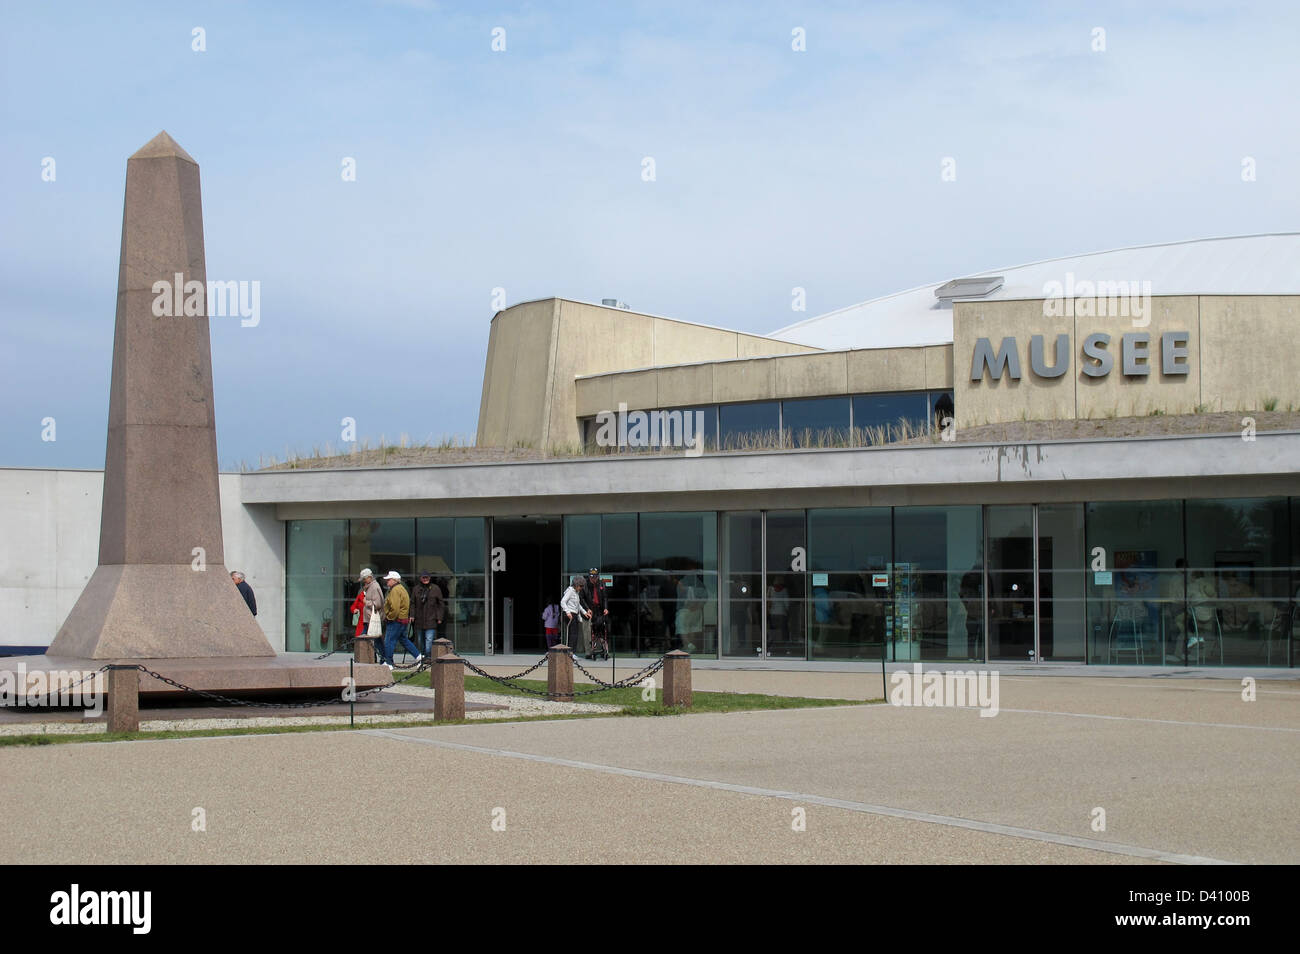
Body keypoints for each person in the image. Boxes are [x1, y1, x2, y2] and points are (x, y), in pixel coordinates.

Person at [380, 570, 422, 669]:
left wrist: (389, 617)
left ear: (394, 580)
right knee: (403, 640)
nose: (387, 581)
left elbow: (394, 607)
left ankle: (389, 663)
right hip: (402, 620)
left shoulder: (395, 590)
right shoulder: (401, 588)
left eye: (389, 579)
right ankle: (418, 656)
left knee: (389, 641)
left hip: (396, 620)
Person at [412, 570, 445, 655]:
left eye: (427, 577)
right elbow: (412, 603)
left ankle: (428, 656)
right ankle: (422, 656)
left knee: (429, 639)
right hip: (419, 619)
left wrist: (439, 617)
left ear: (430, 578)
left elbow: (441, 604)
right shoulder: (416, 589)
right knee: (420, 640)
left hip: (431, 619)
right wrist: (412, 615)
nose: (425, 579)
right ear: (420, 578)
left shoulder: (435, 588)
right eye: (423, 577)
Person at [585, 567, 611, 660]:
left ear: (597, 576)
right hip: (591, 610)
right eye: (591, 577)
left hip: (600, 610)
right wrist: (587, 609)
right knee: (591, 630)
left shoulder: (602, 584)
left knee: (603, 628)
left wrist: (606, 608)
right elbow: (582, 598)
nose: (593, 579)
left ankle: (605, 649)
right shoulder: (586, 585)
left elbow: (605, 598)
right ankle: (590, 651)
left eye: (595, 577)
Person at [560, 575, 590, 651]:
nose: (581, 587)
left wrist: (584, 612)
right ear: (576, 584)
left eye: (582, 586)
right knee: (573, 634)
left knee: (575, 634)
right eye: (580, 586)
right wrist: (567, 612)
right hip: (570, 614)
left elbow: (578, 605)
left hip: (574, 614)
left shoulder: (576, 592)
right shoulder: (570, 591)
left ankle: (571, 653)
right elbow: (563, 601)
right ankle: (570, 653)